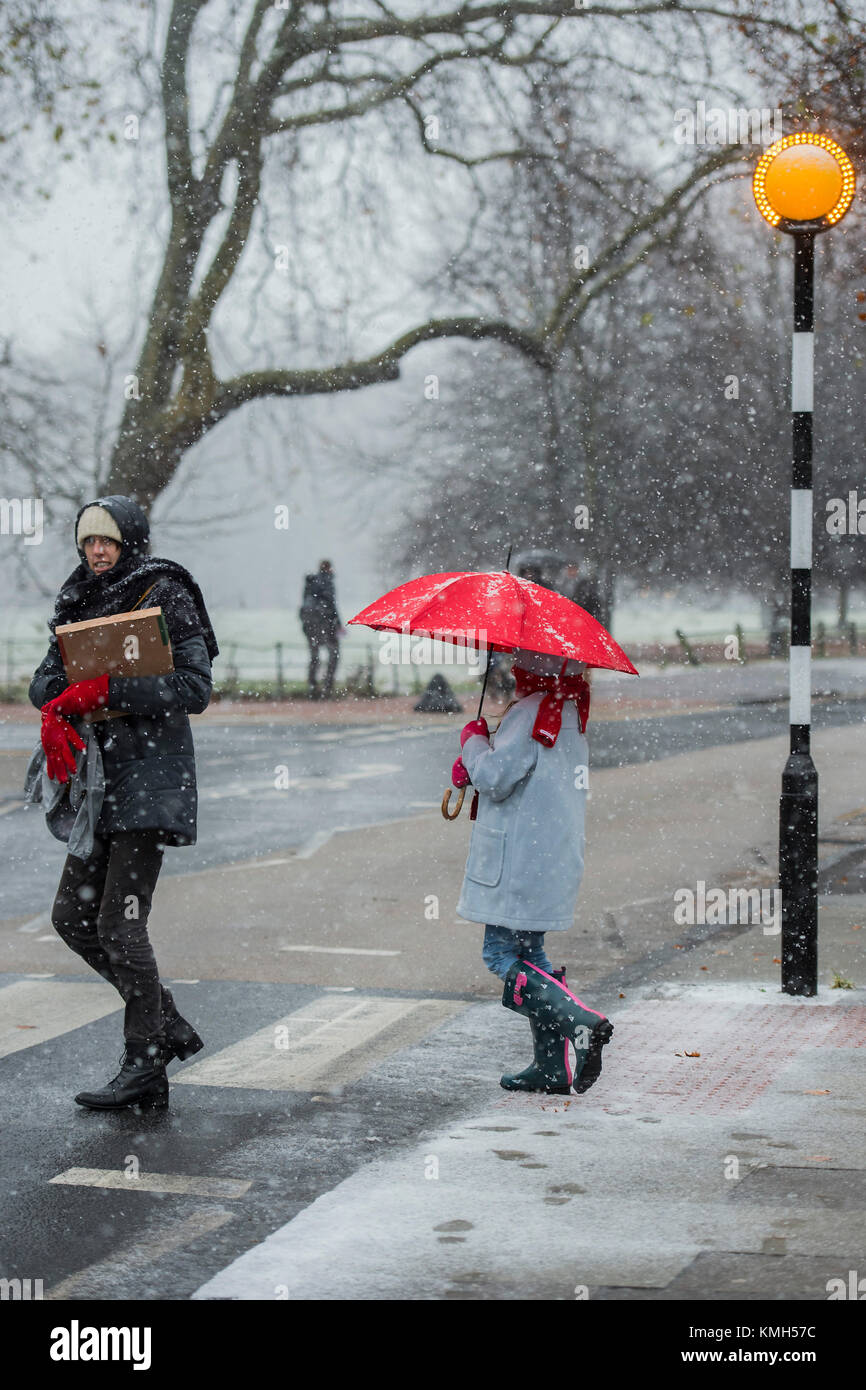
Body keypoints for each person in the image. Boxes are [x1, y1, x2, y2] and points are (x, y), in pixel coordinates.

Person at [27, 495, 219, 1112]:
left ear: (130, 538)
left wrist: (110, 685)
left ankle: (143, 1061)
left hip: (152, 781)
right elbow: (42, 681)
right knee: (71, 918)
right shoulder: (76, 598)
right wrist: (67, 694)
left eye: (107, 540)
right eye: (87, 542)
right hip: (98, 784)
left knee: (118, 921)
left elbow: (194, 688)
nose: (97, 551)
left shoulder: (164, 590)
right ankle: (164, 1031)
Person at [452, 648, 612, 1096]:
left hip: (518, 859)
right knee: (533, 956)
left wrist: (473, 742)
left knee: (501, 955)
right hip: (552, 855)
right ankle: (551, 1067)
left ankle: (581, 1021)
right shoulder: (571, 712)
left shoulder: (530, 711)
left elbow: (497, 778)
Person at [300, 559, 342, 699]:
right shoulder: (327, 582)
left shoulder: (311, 582)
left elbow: (303, 603)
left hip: (309, 624)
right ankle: (327, 687)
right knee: (334, 654)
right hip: (325, 624)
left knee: (314, 656)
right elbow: (331, 604)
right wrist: (338, 624)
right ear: (329, 568)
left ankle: (312, 688)